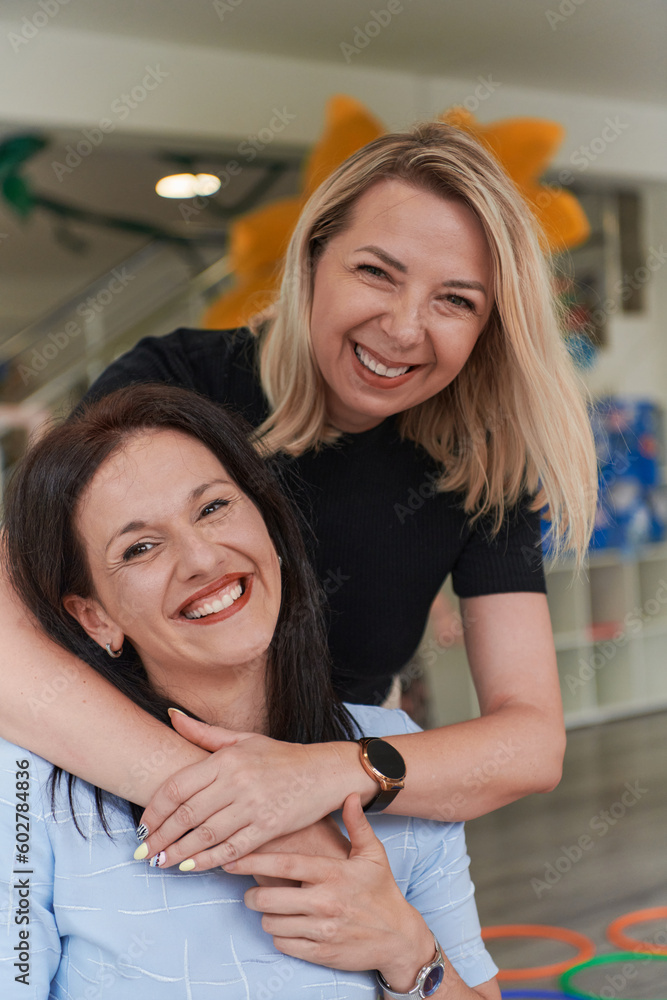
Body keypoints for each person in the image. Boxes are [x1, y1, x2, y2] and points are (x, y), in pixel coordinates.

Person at [0, 121, 598, 871]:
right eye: (376, 272)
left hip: (336, 824)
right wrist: (229, 801)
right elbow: (8, 633)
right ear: (312, 258)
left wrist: (320, 777)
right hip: (132, 816)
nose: (403, 327)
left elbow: (530, 742)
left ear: (488, 326)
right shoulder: (176, 384)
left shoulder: (478, 465)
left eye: (455, 300)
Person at [0, 384, 500, 1000]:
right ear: (95, 618)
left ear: (268, 526)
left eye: (212, 508)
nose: (202, 558)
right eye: (140, 548)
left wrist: (407, 951)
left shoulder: (393, 756)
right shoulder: (30, 790)